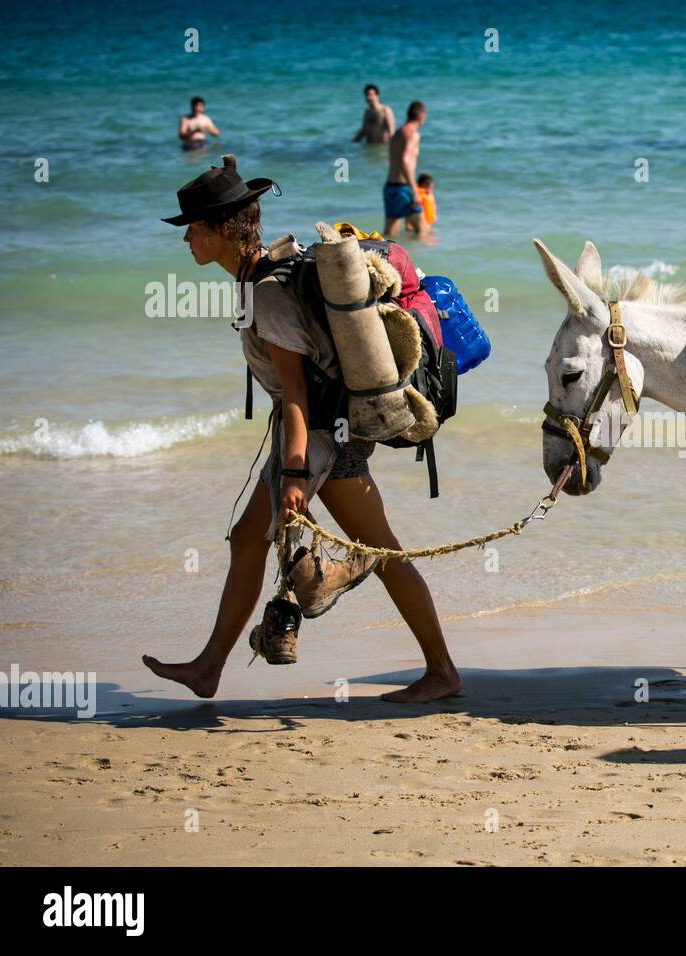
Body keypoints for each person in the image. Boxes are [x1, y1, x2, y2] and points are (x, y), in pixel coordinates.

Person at [143, 154, 461, 704]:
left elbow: (295, 389)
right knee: (251, 540)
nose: (187, 240)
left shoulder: (266, 291)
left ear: (221, 230)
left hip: (322, 441)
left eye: (193, 229)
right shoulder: (262, 278)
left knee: (382, 552)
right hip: (321, 434)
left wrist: (292, 471)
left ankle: (442, 671)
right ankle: (210, 667)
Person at [383, 101, 428, 239]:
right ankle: (417, 259)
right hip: (403, 189)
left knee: (390, 234)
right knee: (423, 231)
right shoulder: (413, 134)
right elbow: (405, 161)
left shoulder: (397, 133)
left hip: (390, 188)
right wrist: (414, 191)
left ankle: (380, 258)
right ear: (422, 116)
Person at [415, 172, 437, 241]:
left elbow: (433, 207)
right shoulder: (419, 196)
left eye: (431, 188)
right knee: (422, 236)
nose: (429, 190)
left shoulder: (429, 195)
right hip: (420, 221)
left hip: (428, 222)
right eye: (427, 188)